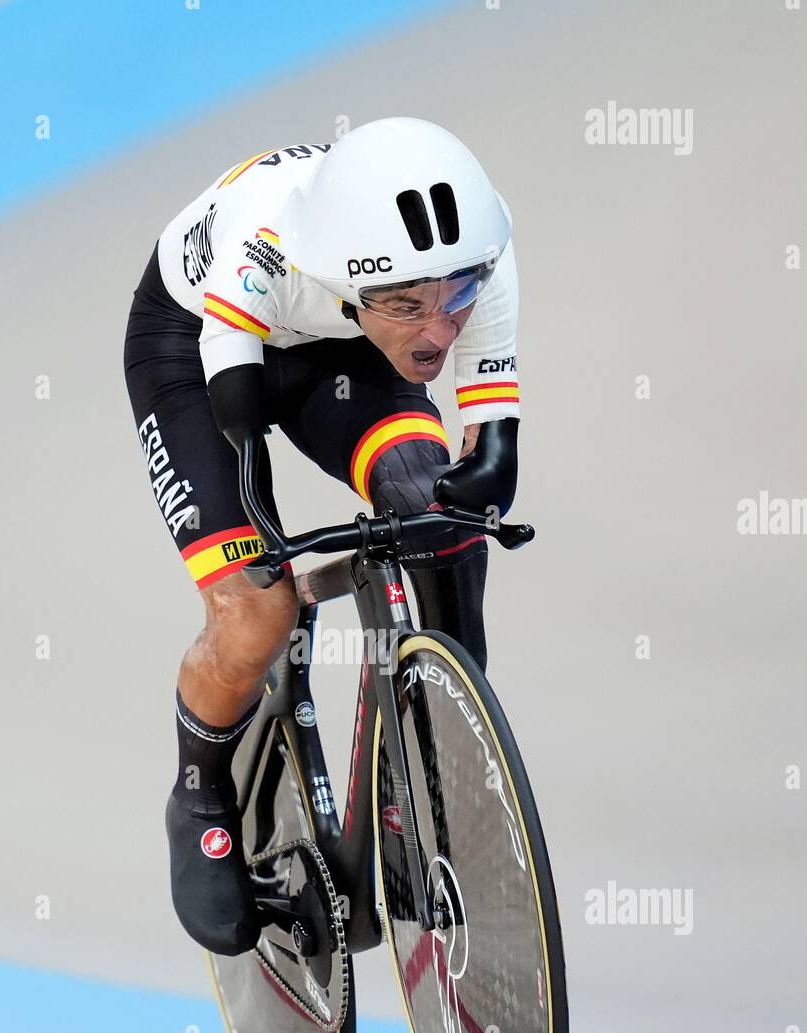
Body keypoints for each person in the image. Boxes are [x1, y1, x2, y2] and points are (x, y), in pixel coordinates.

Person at [123, 117, 520, 957]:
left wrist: (487, 456)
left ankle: (430, 750)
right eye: (411, 307)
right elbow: (235, 409)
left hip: (344, 341)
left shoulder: (477, 240)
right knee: (254, 612)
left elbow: (489, 411)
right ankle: (198, 793)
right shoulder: (265, 244)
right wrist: (256, 540)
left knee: (434, 515)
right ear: (350, 277)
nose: (438, 331)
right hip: (203, 346)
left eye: (452, 298)